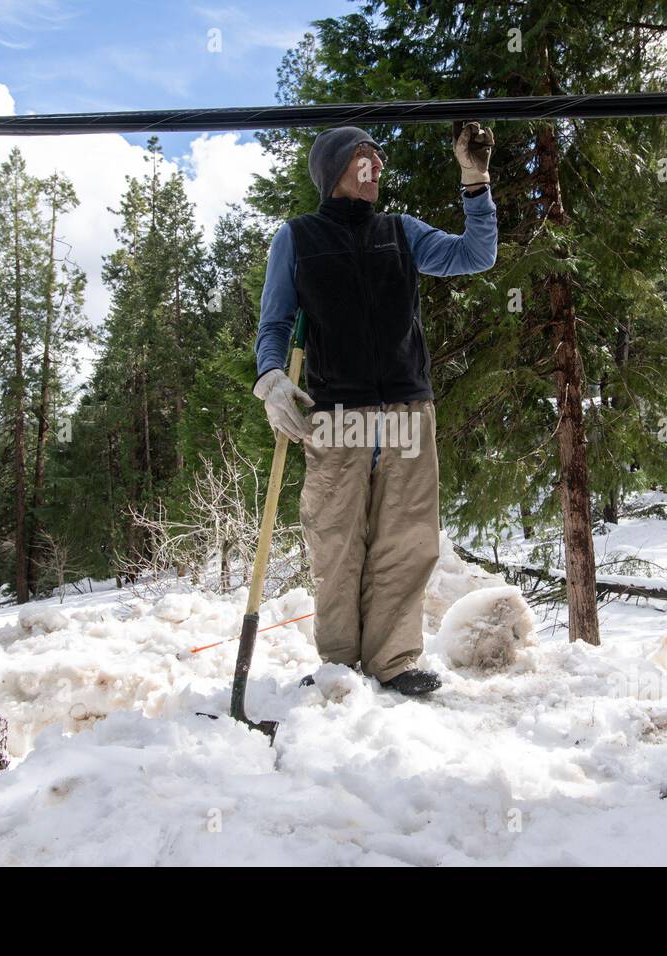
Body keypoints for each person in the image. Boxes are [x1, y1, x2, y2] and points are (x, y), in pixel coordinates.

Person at [252, 121, 497, 696]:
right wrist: (271, 380)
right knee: (336, 540)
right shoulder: (298, 237)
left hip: (408, 409)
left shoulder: (400, 231)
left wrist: (475, 178)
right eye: (367, 154)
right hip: (336, 414)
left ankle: (394, 661)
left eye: (380, 157)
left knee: (408, 539)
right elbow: (275, 323)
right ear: (336, 166)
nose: (378, 165)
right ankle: (339, 665)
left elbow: (475, 255)